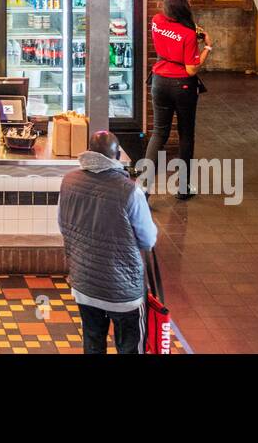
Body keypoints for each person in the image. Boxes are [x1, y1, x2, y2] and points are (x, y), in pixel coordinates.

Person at [57, 130, 158, 354]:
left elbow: (63, 225)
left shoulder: (69, 181)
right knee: (130, 346)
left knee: (93, 343)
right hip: (123, 291)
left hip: (85, 284)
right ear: (117, 155)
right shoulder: (130, 191)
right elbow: (148, 239)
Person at [145, 0, 213, 200]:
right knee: (185, 135)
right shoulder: (188, 34)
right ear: (185, 7)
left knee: (158, 134)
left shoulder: (156, 20)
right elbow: (192, 69)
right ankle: (183, 188)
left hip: (159, 81)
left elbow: (170, 34)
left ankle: (144, 189)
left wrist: (192, 32)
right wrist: (207, 48)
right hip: (182, 86)